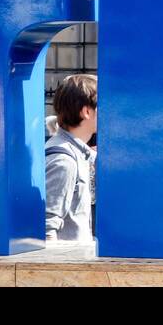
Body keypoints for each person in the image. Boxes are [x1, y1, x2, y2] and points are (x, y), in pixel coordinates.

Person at [45, 74, 97, 243]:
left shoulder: (76, 153)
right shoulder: (64, 161)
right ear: (86, 111)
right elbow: (47, 227)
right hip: (68, 265)